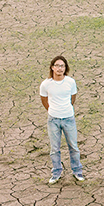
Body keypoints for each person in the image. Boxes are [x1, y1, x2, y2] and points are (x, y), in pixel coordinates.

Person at [40, 55, 84, 184]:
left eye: (62, 66)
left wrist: (66, 109)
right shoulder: (46, 84)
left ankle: (77, 171)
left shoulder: (70, 82)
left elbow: (72, 98)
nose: (60, 68)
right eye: (57, 66)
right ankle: (56, 172)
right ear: (52, 67)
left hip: (68, 118)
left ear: (66, 68)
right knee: (55, 148)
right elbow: (44, 100)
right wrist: (52, 110)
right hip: (53, 119)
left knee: (73, 146)